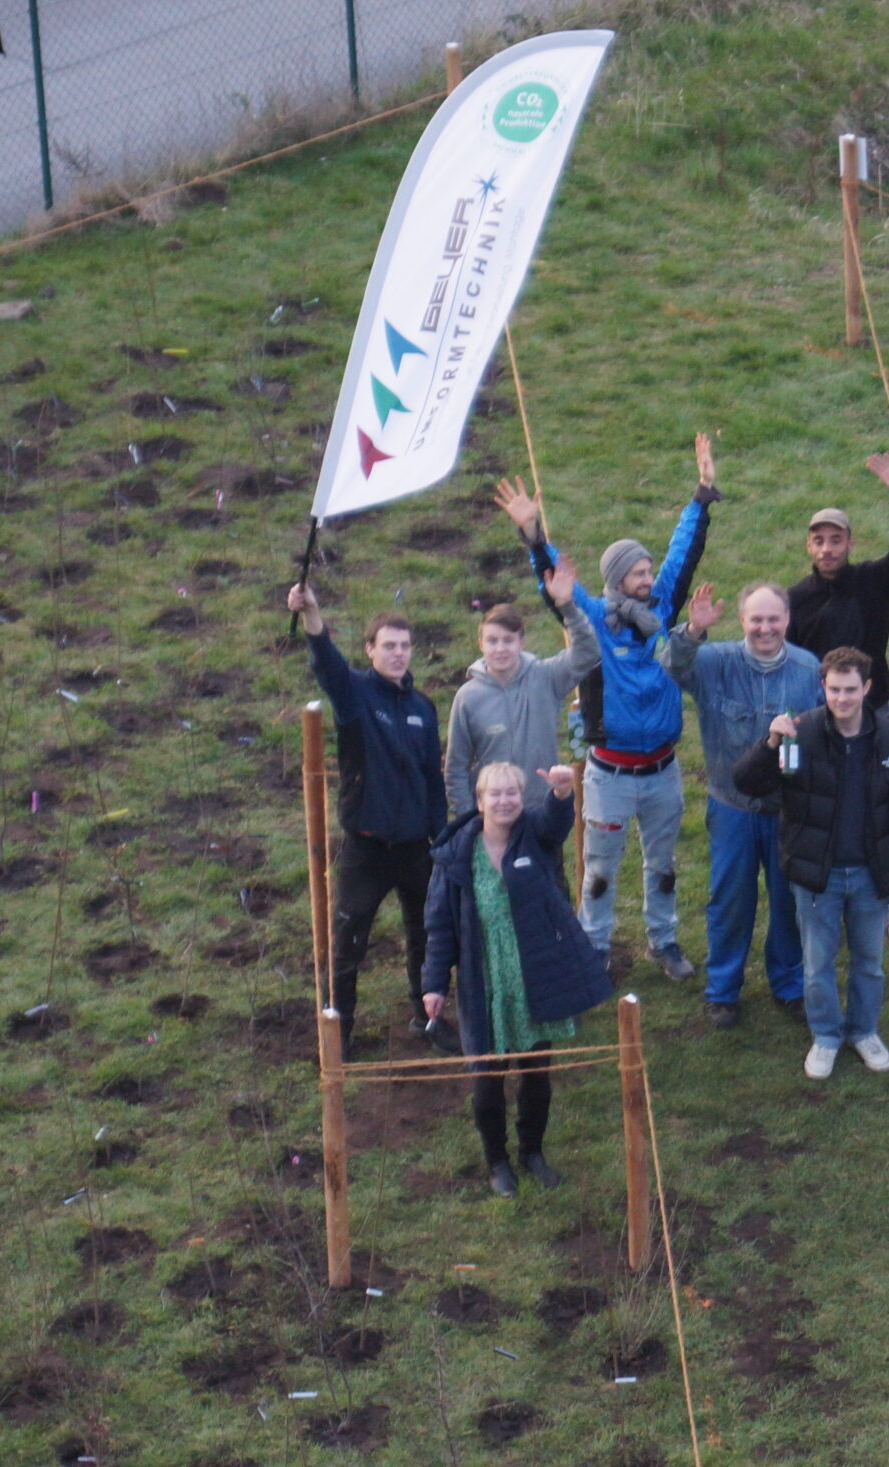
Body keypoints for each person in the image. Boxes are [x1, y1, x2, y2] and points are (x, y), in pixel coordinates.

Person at [495, 435, 717, 982]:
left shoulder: (663, 608)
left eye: (648, 570)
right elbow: (558, 592)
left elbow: (683, 551)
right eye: (637, 572)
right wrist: (534, 537)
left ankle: (662, 939)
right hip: (609, 774)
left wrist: (702, 496)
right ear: (618, 579)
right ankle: (593, 949)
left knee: (663, 866)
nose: (648, 577)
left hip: (663, 770)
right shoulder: (593, 617)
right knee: (599, 868)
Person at [732, 648, 889, 1081]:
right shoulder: (797, 734)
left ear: (867, 689)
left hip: (871, 875)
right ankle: (825, 1035)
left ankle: (863, 1030)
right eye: (835, 689)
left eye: (851, 690)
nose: (843, 698)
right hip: (815, 875)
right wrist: (770, 743)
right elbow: (746, 781)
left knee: (869, 961)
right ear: (823, 687)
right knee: (817, 963)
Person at [418, 761, 613, 1197]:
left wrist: (562, 793)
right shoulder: (455, 857)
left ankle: (532, 1153)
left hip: (534, 977)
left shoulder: (533, 837)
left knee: (536, 1074)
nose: (504, 801)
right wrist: (433, 985)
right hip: (483, 982)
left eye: (512, 794)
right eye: (495, 794)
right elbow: (439, 927)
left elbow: (555, 822)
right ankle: (497, 1163)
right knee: (487, 1080)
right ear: (480, 800)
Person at [286, 582, 447, 1051]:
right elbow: (327, 666)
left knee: (428, 937)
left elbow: (432, 779)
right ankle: (339, 1034)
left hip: (418, 847)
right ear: (370, 650)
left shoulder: (424, 708)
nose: (398, 655)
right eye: (388, 646)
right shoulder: (355, 695)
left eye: (405, 646)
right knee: (347, 943)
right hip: (367, 846)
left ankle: (429, 1019)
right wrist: (312, 614)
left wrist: (443, 838)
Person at [667, 580, 824, 1030]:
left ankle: (789, 985)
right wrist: (693, 632)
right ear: (742, 621)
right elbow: (673, 668)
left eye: (773, 619)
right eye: (756, 619)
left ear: (787, 620)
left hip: (787, 811)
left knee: (788, 901)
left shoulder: (807, 669)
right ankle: (722, 991)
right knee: (729, 901)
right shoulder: (715, 662)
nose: (765, 628)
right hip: (731, 806)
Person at [787, 454, 889, 944]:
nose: (828, 548)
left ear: (850, 543)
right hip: (818, 721)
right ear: (809, 545)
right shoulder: (794, 599)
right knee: (825, 809)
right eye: (819, 540)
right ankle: (823, 897)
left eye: (836, 539)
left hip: (874, 714)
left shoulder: (873, 580)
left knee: (882, 808)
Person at [445, 565, 601, 803]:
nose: (500, 649)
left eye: (508, 640)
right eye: (492, 641)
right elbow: (455, 769)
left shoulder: (546, 676)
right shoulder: (467, 697)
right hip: (491, 815)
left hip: (541, 811)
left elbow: (588, 652)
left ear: (522, 643)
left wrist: (566, 605)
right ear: (481, 644)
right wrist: (468, 822)